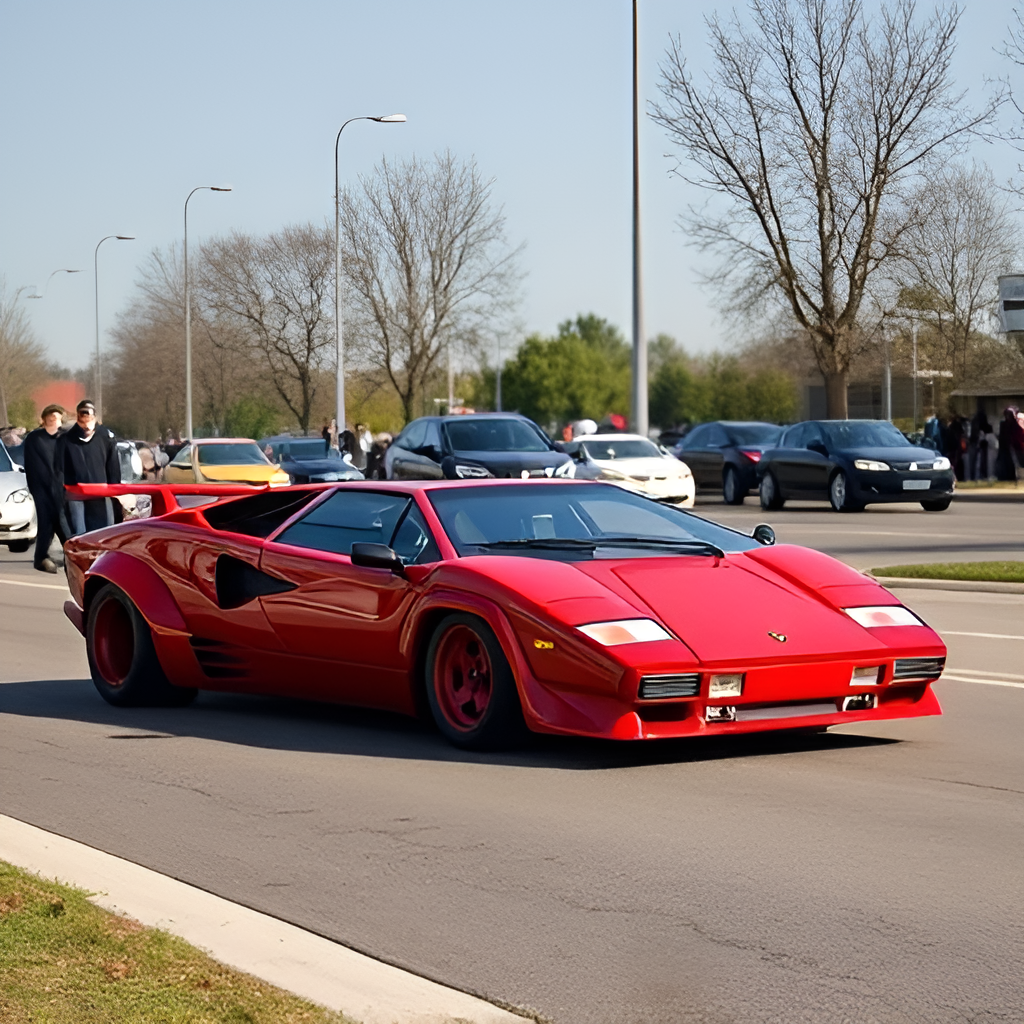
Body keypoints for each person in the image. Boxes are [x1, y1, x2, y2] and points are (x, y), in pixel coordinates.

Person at [56, 400, 120, 536]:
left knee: (105, 533)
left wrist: (115, 491)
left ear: (95, 418)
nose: (86, 426)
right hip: (76, 494)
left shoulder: (106, 437)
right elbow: (59, 469)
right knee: (80, 534)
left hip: (102, 493)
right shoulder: (65, 439)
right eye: (82, 420)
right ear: (78, 419)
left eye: (89, 420)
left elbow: (113, 468)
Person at [21, 404, 69, 573]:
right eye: (50, 417)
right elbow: (31, 465)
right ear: (43, 419)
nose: (54, 420)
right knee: (47, 521)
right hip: (41, 488)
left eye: (57, 418)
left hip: (62, 487)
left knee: (62, 522)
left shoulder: (66, 438)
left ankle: (65, 556)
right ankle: (44, 558)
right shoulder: (35, 438)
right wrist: (35, 487)